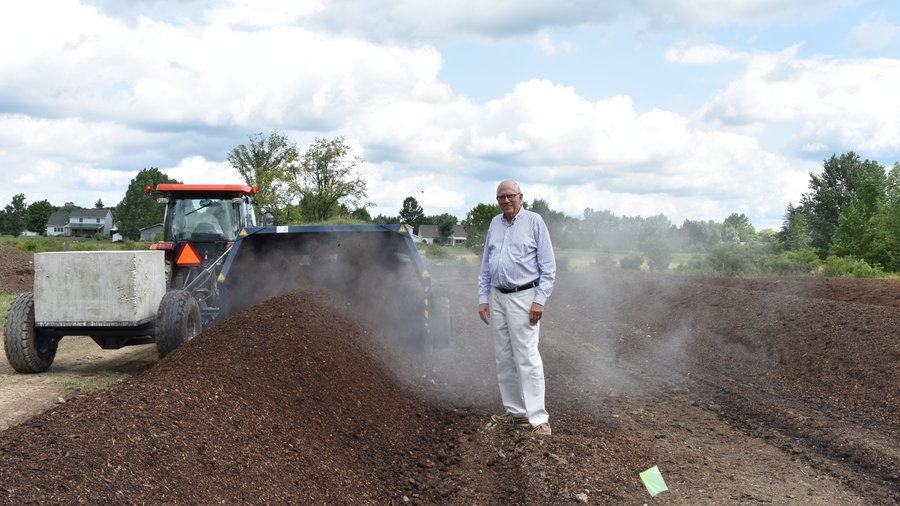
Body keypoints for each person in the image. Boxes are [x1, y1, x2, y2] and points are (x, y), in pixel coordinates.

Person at [477, 180, 556, 436]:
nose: (506, 200)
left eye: (510, 196)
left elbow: (549, 266)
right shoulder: (495, 224)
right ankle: (516, 413)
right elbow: (486, 264)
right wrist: (483, 297)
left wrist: (539, 300)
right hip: (498, 295)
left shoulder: (534, 222)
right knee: (504, 357)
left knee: (527, 356)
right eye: (501, 197)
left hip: (524, 296)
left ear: (521, 197)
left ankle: (538, 419)